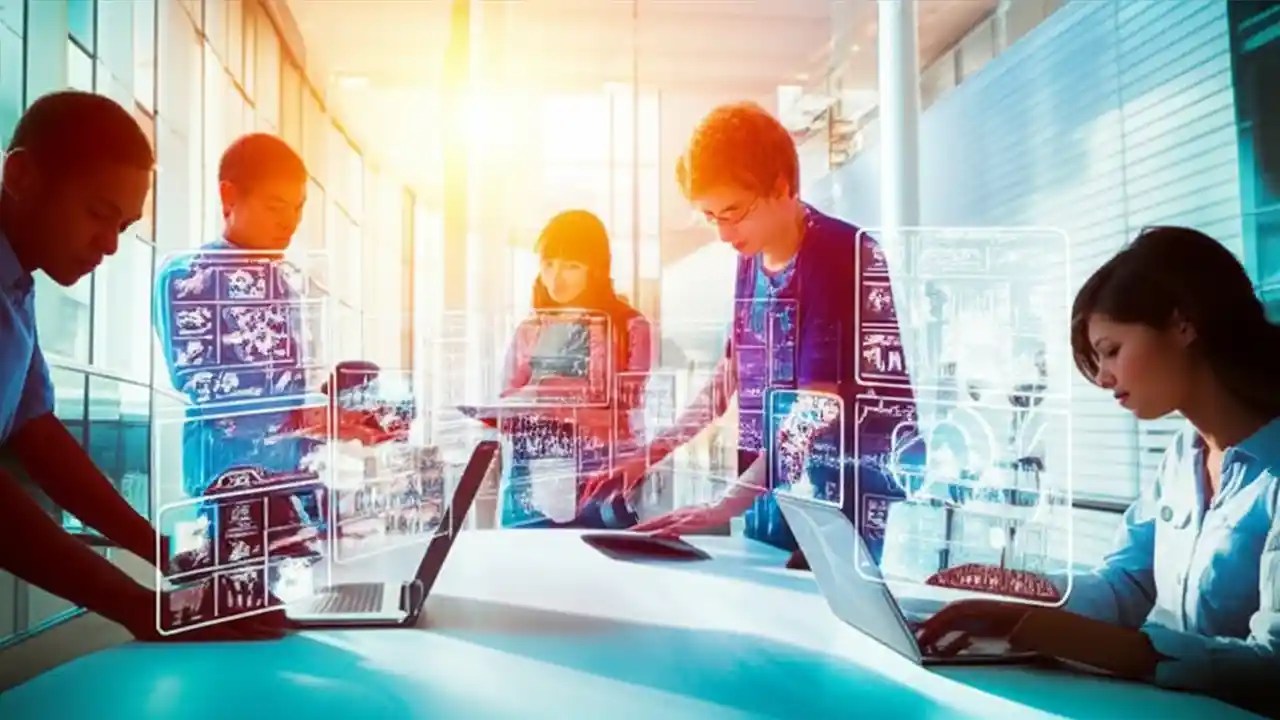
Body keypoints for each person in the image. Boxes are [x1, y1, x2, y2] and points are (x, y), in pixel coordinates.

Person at [916, 227, 1278, 715]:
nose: (1104, 378)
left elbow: (1270, 667)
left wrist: (1049, 631)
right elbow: (1125, 585)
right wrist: (1013, 590)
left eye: (1112, 350)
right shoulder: (1181, 458)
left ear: (1183, 324)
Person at [0, 90, 283, 641]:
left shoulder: (15, 284)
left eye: (123, 227)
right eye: (98, 214)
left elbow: (37, 435)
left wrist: (173, 555)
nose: (109, 245)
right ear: (21, 175)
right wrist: (144, 607)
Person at [583, 101, 918, 563]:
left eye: (733, 212)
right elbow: (731, 374)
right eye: (711, 217)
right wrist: (652, 451)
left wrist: (724, 505)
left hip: (846, 510)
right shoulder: (751, 256)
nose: (724, 234)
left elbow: (816, 407)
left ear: (781, 187)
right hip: (776, 498)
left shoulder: (840, 254)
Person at [497, 209, 652, 528]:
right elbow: (508, 400)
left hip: (601, 469)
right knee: (528, 554)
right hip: (534, 467)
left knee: (601, 554)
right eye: (549, 264)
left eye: (571, 266)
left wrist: (542, 391)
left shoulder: (629, 326)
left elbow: (624, 403)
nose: (556, 277)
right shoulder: (531, 328)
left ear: (596, 269)